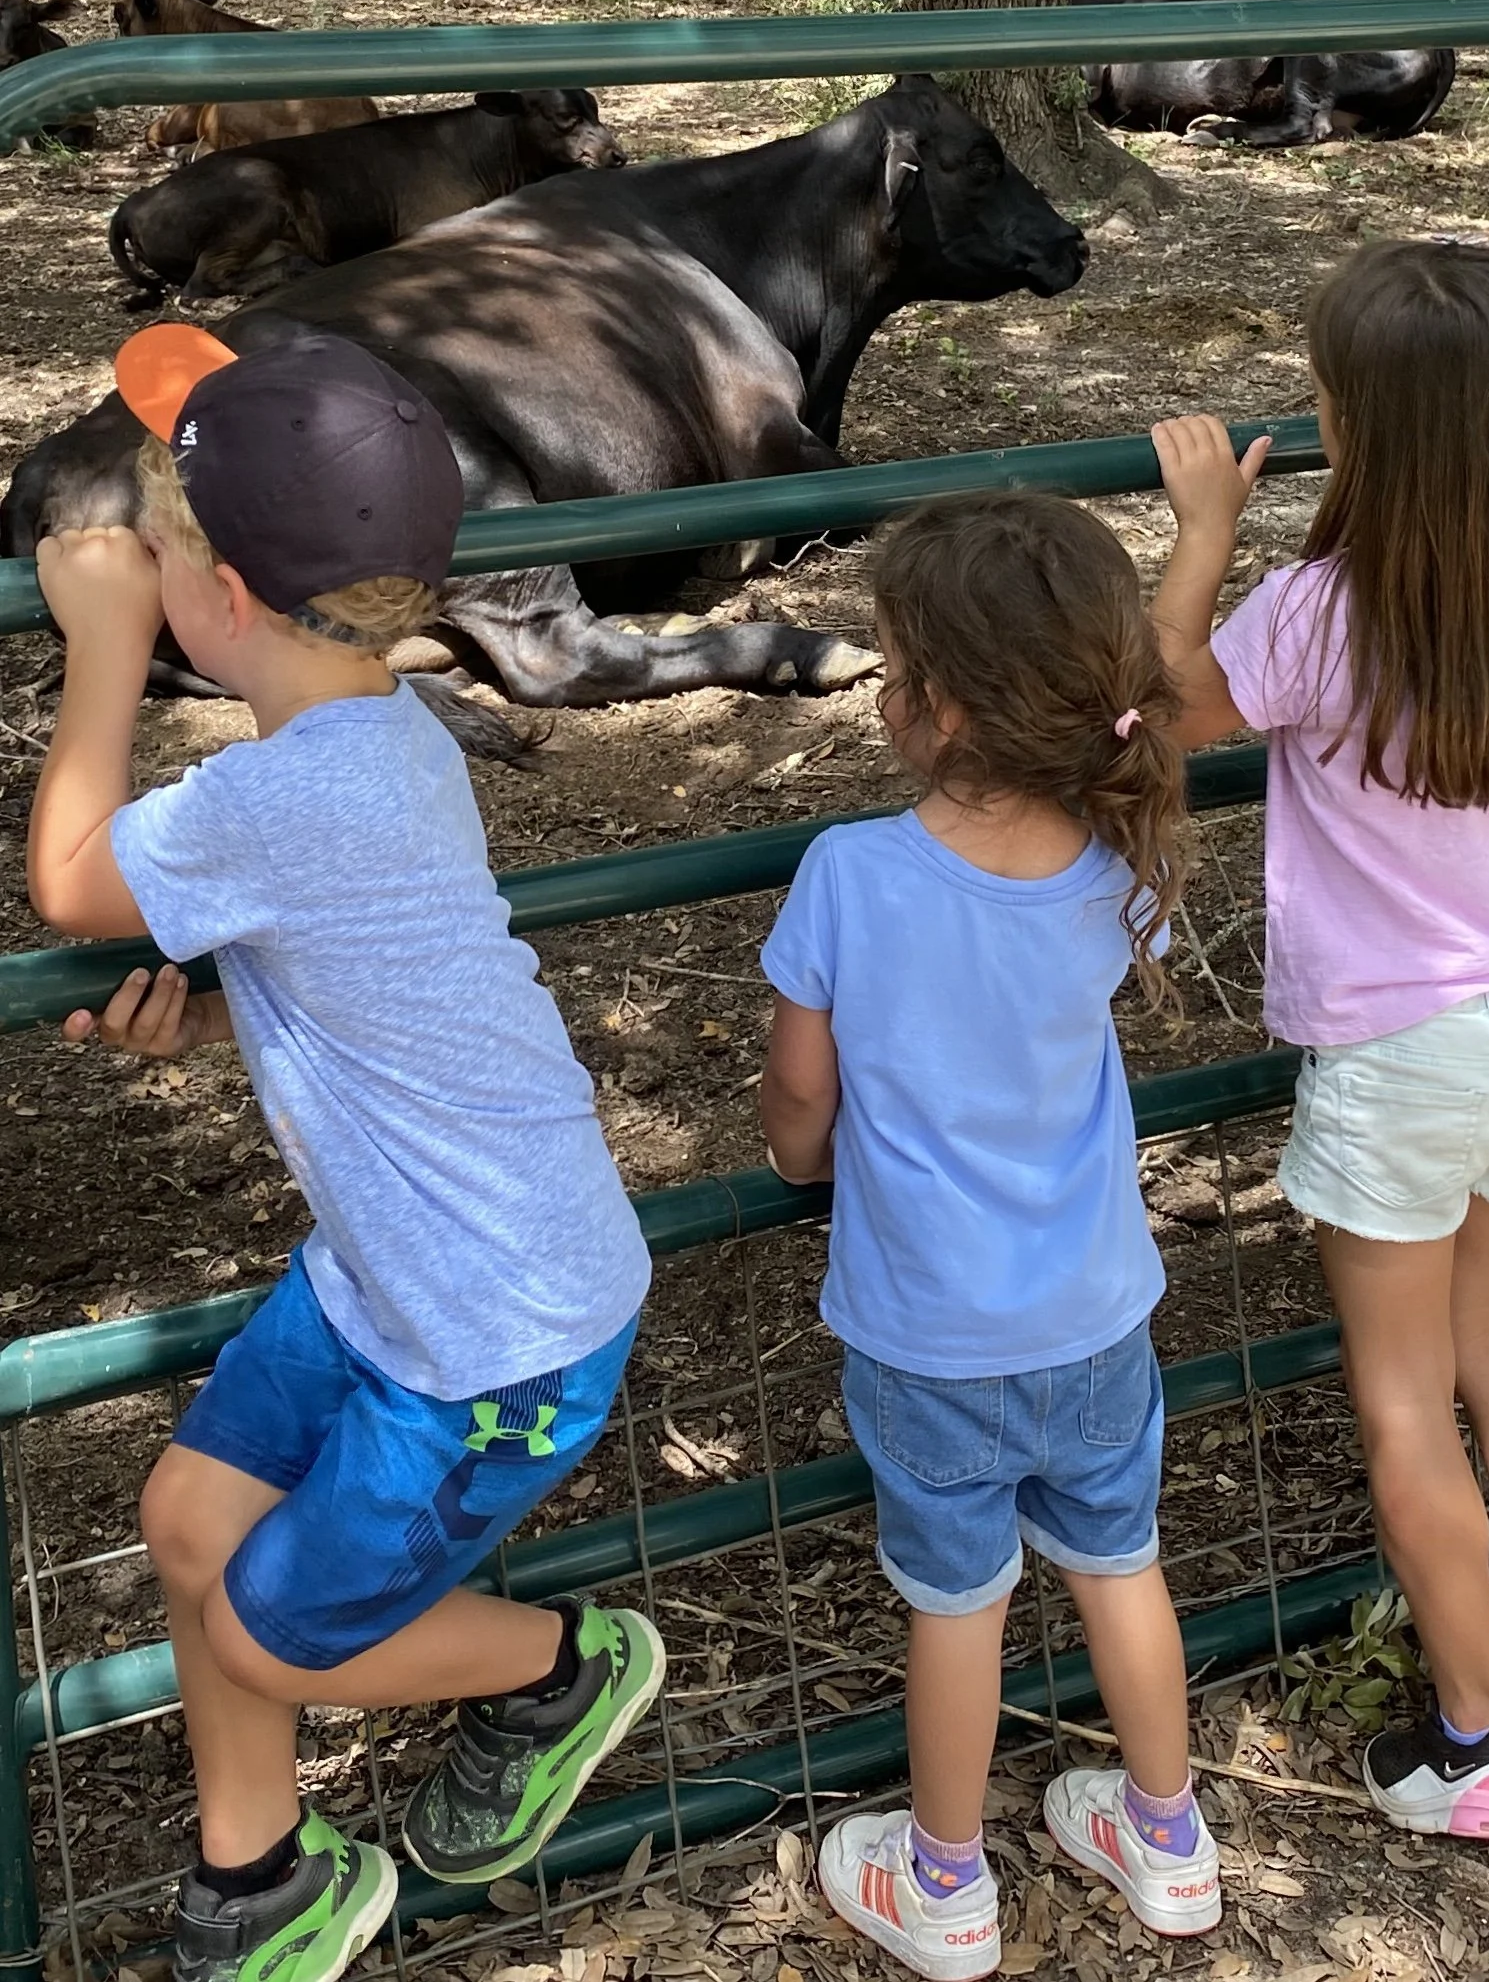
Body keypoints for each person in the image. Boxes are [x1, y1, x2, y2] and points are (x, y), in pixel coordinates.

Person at [27, 324, 666, 1982]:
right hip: (407, 1269)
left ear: (217, 595)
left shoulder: (282, 798)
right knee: (187, 1519)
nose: (139, 566)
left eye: (156, 545)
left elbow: (72, 882)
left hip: (490, 1340)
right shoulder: (383, 736)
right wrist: (234, 1012)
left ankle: (558, 1667)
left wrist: (98, 641)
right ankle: (259, 1881)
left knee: (253, 1623)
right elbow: (383, 992)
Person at [1146, 237, 1489, 1842]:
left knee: (1401, 1400)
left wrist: (1203, 535)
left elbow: (1170, 710)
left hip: (1395, 1055)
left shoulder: (1315, 613)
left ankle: (1478, 1737)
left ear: (1355, 429)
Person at [758, 493, 1221, 1982]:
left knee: (957, 1607)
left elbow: (799, 1094)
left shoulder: (851, 874)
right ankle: (1168, 1839)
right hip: (1093, 1313)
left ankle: (944, 1884)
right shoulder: (1116, 868)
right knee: (1120, 1566)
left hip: (925, 1332)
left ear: (930, 707)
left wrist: (794, 1156)